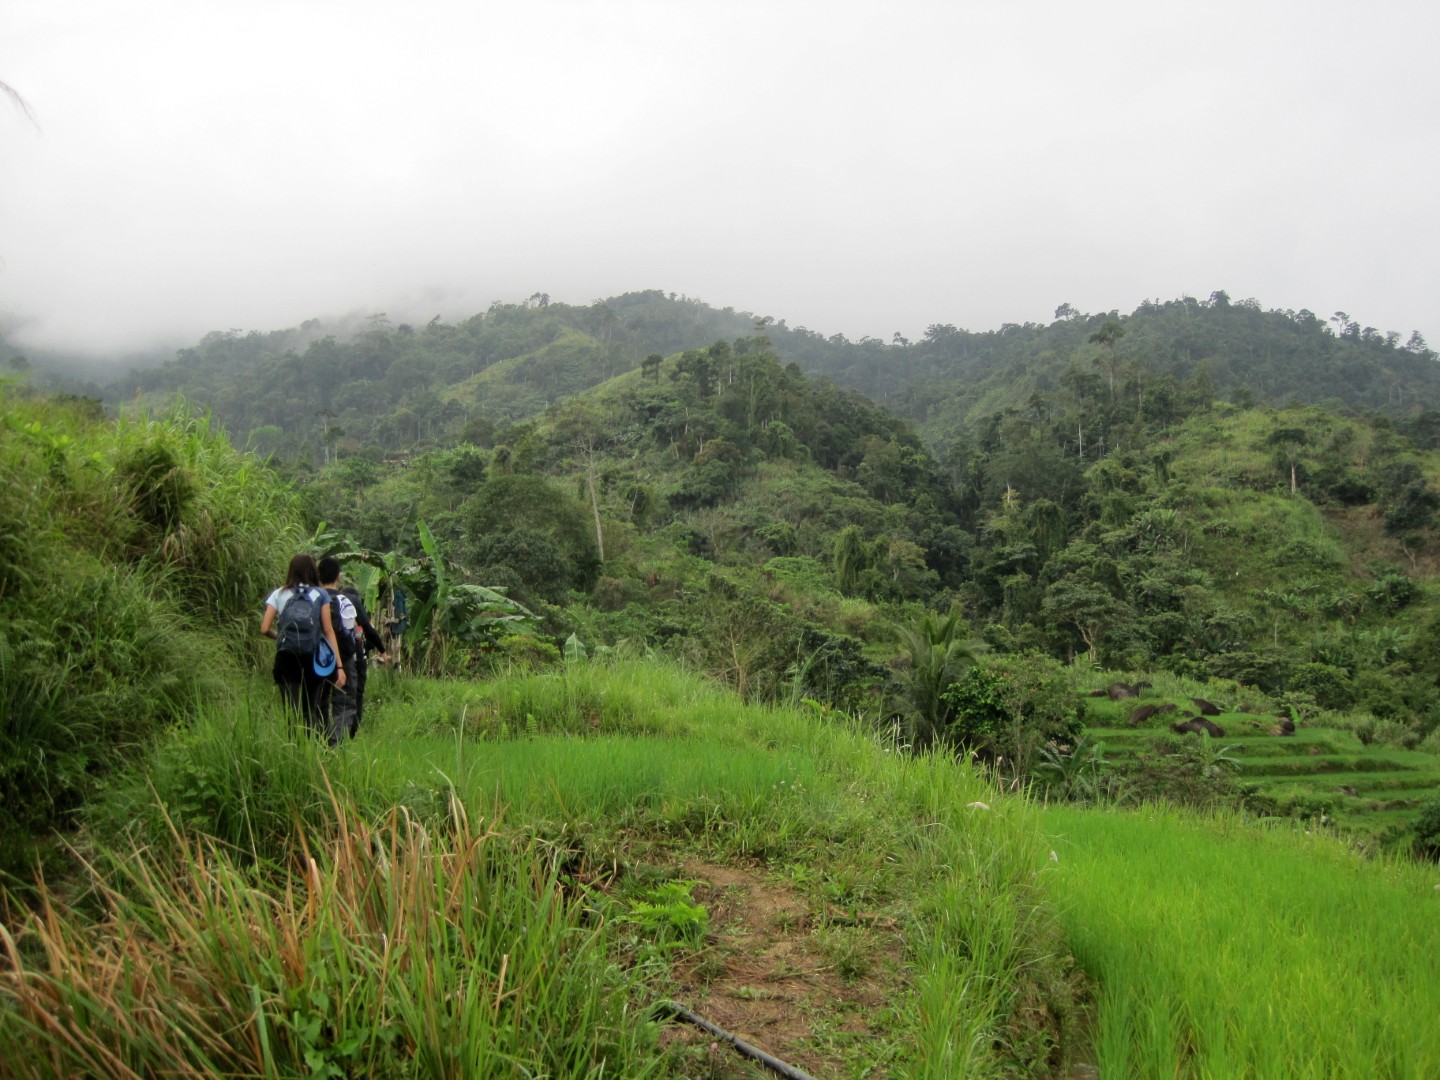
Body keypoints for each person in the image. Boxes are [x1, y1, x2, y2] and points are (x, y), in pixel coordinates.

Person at [260, 553, 346, 744]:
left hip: (286, 658)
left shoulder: (279, 594)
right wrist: (339, 666)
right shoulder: (321, 595)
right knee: (310, 711)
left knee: (291, 712)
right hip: (311, 660)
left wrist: (279, 636)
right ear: (313, 571)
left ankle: (293, 752)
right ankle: (311, 754)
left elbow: (264, 628)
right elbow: (327, 630)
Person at [317, 556, 388, 740]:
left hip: (319, 657)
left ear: (318, 576)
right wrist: (382, 650)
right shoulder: (347, 600)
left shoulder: (313, 598)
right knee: (345, 702)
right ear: (338, 577)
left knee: (319, 700)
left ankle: (321, 739)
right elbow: (367, 631)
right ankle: (335, 742)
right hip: (345, 658)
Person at [336, 567, 388, 737]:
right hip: (353, 657)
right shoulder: (352, 601)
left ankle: (330, 732)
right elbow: (370, 631)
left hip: (328, 657)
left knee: (331, 696)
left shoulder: (330, 600)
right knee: (355, 694)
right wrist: (383, 651)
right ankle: (351, 731)